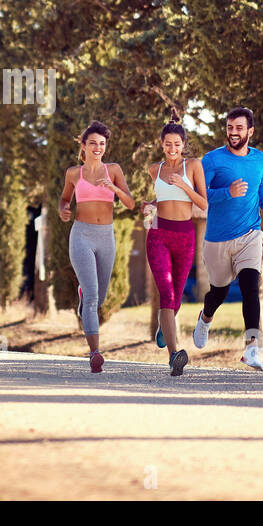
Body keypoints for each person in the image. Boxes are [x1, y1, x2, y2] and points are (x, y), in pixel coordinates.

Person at [193, 107, 263, 369]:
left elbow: (260, 189)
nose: (233, 133)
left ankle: (252, 349)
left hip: (250, 234)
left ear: (250, 131)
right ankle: (205, 318)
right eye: (230, 127)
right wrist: (227, 192)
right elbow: (200, 196)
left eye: (239, 128)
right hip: (217, 239)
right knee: (218, 292)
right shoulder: (212, 160)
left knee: (251, 286)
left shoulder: (260, 159)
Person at [59, 121, 135, 373]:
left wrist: (113, 188)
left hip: (106, 236)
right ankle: (95, 354)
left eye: (102, 144)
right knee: (93, 298)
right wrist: (63, 210)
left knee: (98, 298)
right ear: (83, 145)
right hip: (81, 235)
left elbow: (131, 203)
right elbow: (64, 199)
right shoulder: (73, 173)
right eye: (92, 143)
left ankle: (84, 297)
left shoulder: (113, 170)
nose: (98, 147)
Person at [141, 111, 208, 376]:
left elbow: (203, 203)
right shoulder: (153, 169)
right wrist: (150, 207)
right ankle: (174, 355)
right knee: (166, 295)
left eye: (177, 144)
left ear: (183, 145)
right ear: (162, 144)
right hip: (158, 234)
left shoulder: (192, 166)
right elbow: (162, 201)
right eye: (167, 144)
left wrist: (183, 184)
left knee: (176, 299)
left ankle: (163, 326)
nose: (172, 148)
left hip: (185, 236)